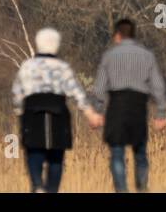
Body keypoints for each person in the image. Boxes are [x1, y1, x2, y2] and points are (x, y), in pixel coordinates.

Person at [11, 27, 103, 193]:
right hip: (58, 112)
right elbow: (77, 93)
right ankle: (52, 189)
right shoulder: (62, 67)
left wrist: (19, 112)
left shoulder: (27, 66)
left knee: (34, 150)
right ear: (56, 45)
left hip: (33, 112)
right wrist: (91, 114)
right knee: (56, 157)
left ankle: (37, 185)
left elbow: (17, 92)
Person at [91, 18, 166, 193]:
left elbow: (99, 88)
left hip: (117, 105)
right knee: (140, 151)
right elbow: (157, 86)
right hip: (138, 105)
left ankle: (121, 189)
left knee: (117, 152)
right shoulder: (147, 55)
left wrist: (97, 111)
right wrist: (161, 113)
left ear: (117, 35)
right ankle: (141, 188)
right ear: (133, 35)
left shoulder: (109, 56)